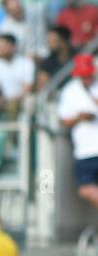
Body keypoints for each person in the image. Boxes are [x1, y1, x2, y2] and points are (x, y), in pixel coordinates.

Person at [58, 53, 98, 213]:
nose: (85, 78)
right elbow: (63, 119)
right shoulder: (70, 91)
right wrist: (79, 117)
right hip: (84, 149)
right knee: (85, 189)